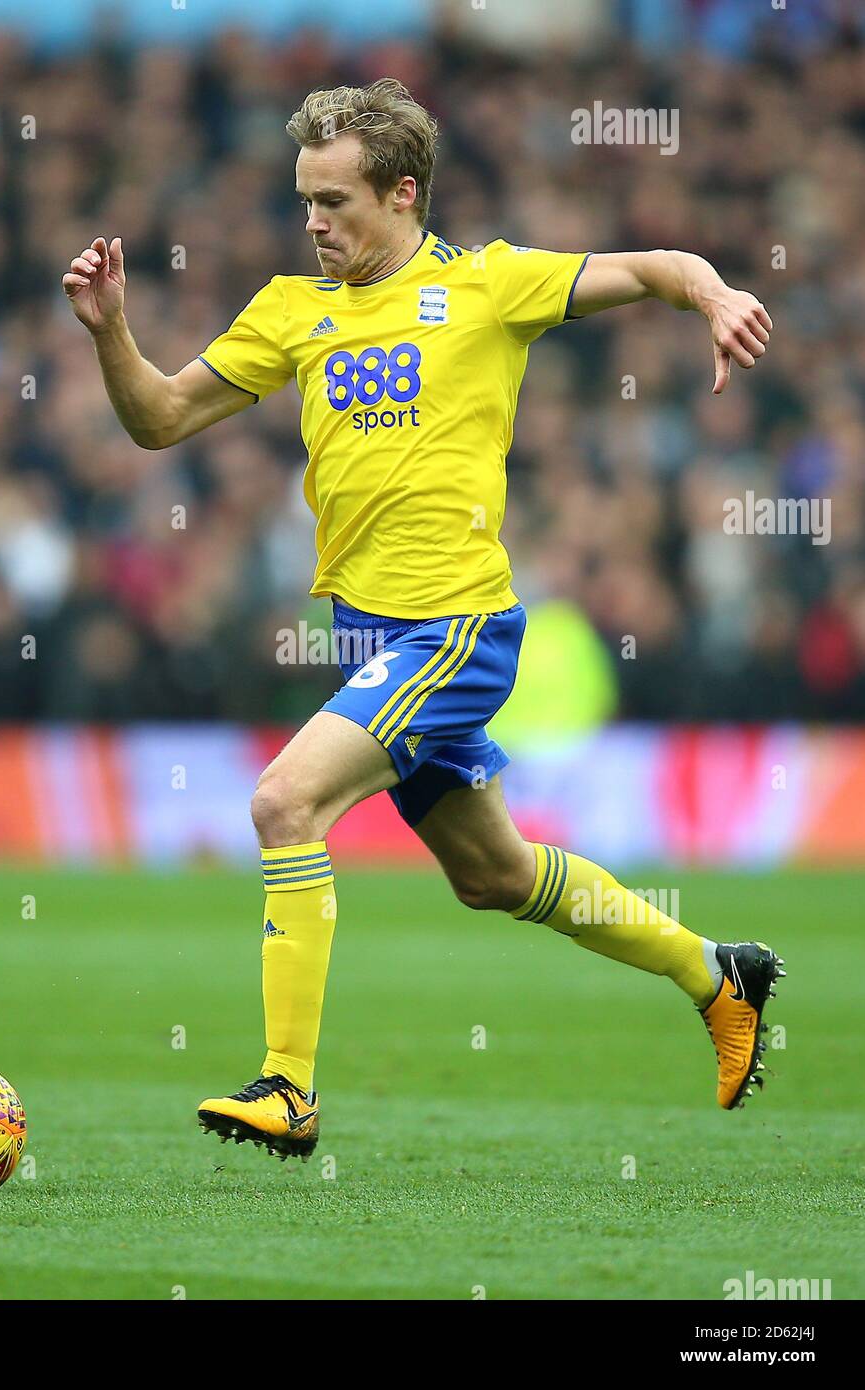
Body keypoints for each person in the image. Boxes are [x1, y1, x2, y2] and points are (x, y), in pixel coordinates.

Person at [63, 79, 785, 1161]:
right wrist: (111, 332)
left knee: (281, 802)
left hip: (450, 630)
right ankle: (713, 973)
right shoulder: (290, 310)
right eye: (304, 199)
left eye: (336, 202)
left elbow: (651, 265)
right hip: (367, 634)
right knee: (490, 874)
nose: (313, 223)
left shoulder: (487, 288)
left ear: (403, 195)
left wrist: (713, 295)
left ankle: (287, 1088)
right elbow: (159, 417)